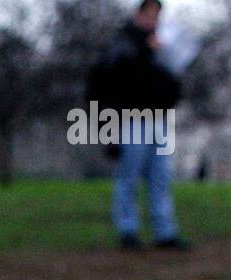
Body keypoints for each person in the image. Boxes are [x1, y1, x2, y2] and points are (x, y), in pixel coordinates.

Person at [89, 0, 190, 250]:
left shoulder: (161, 46)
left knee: (160, 178)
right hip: (132, 119)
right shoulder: (124, 42)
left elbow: (170, 81)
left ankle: (164, 232)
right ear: (139, 14)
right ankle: (128, 231)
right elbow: (117, 77)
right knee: (129, 177)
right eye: (150, 14)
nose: (153, 20)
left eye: (157, 15)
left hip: (159, 120)